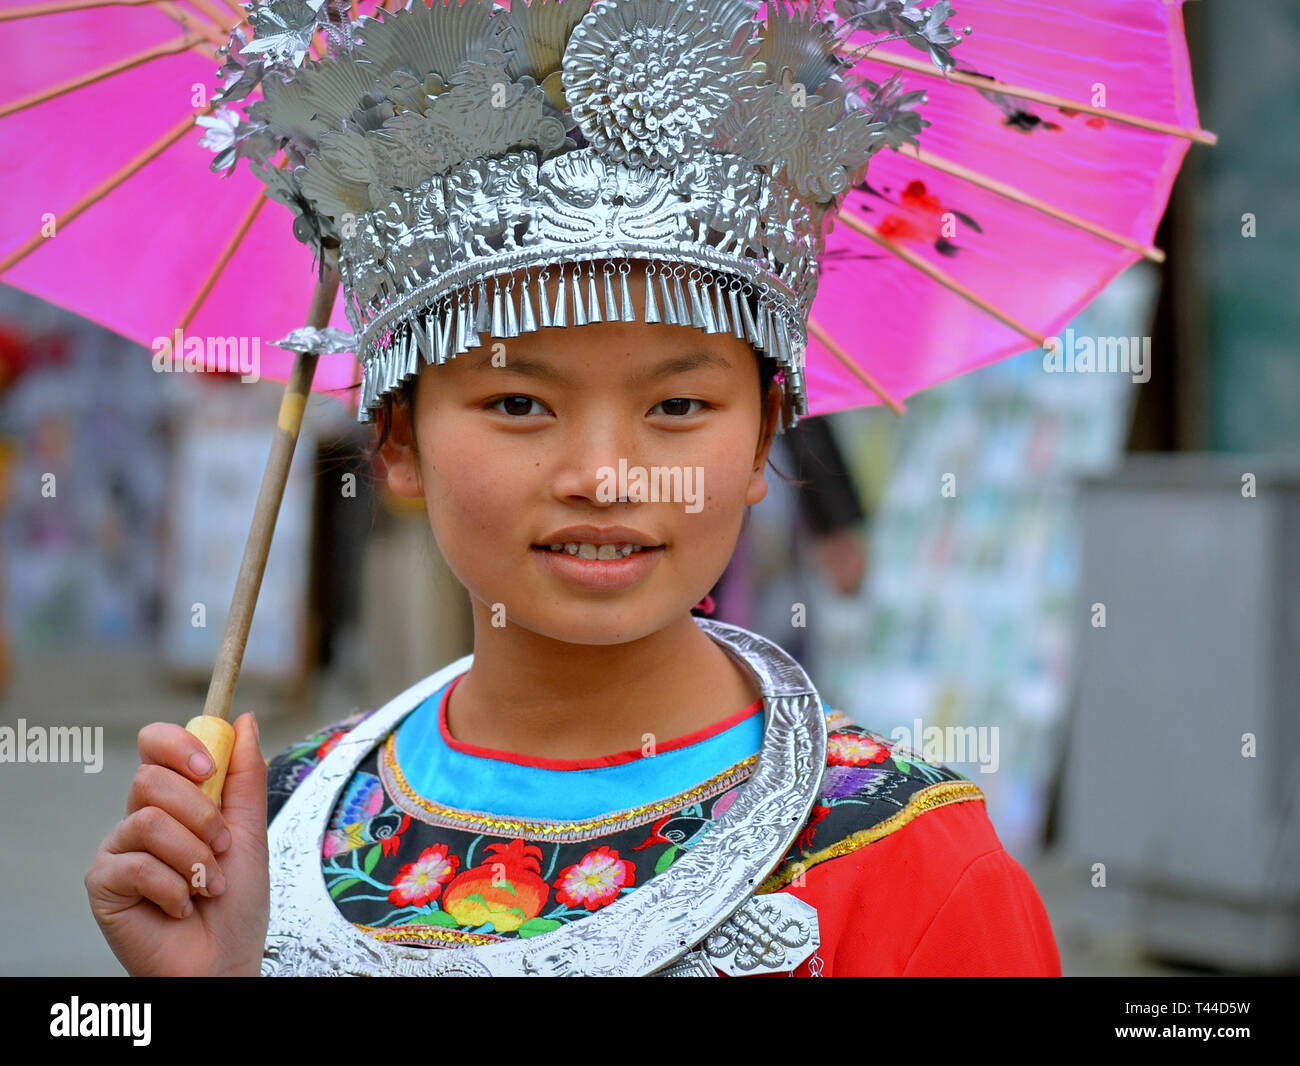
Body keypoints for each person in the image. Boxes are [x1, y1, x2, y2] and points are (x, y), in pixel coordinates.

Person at [84, 0, 1060, 976]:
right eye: (518, 402)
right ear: (396, 439)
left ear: (764, 431)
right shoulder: (266, 837)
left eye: (676, 406)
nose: (604, 474)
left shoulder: (911, 871)